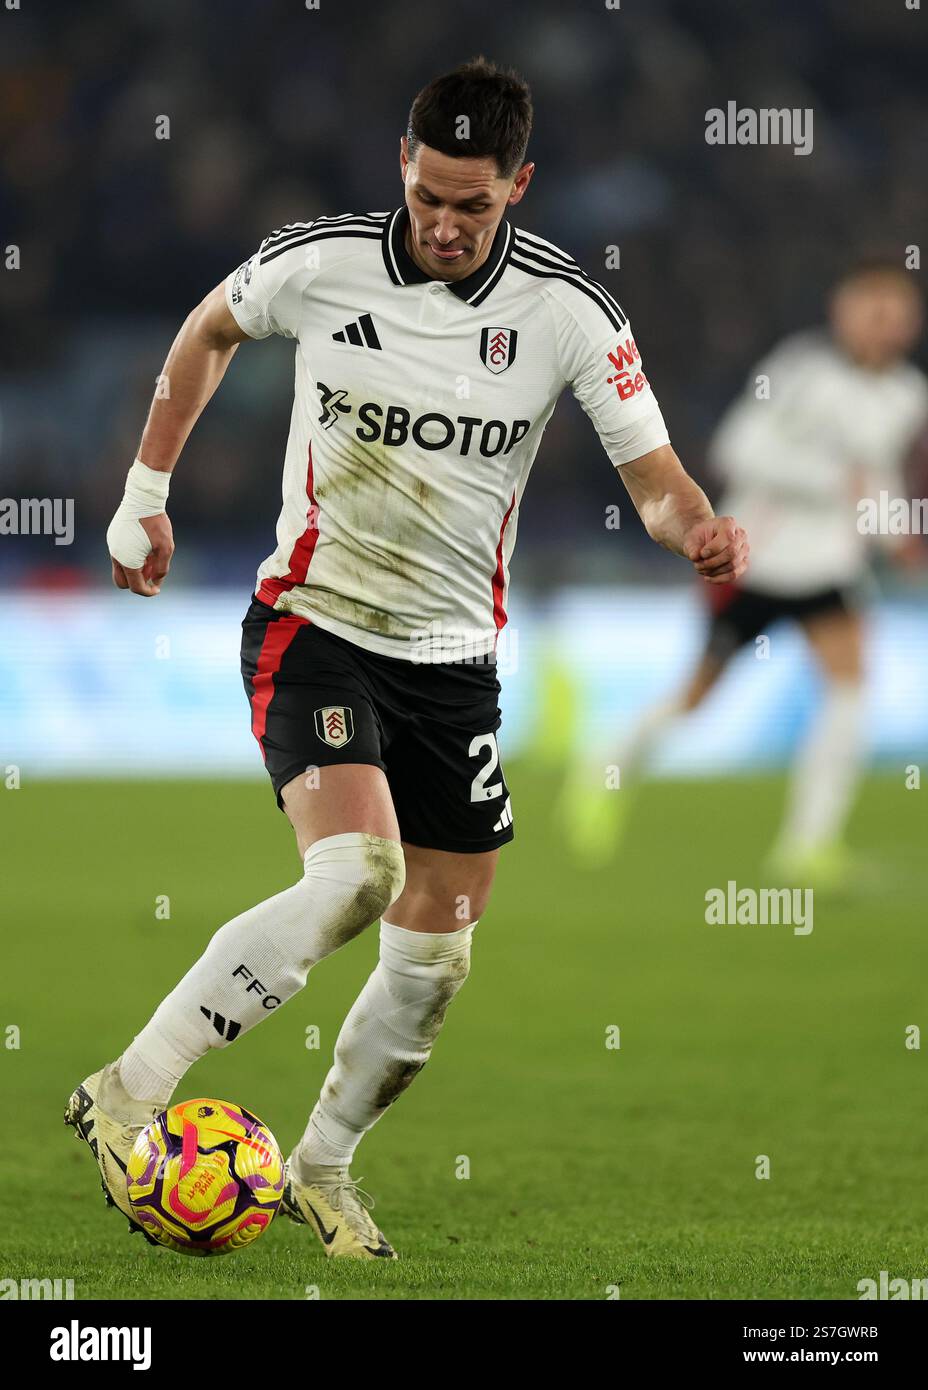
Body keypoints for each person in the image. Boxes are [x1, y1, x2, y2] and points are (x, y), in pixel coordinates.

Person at [66, 57, 748, 1258]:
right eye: (428, 194)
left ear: (519, 188)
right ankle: (131, 1085)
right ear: (403, 163)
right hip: (313, 623)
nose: (443, 222)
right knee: (356, 876)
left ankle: (322, 1165)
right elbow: (207, 329)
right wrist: (145, 487)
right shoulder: (319, 262)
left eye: (471, 204)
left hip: (454, 662)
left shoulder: (569, 314)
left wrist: (693, 524)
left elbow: (653, 478)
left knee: (435, 952)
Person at [558, 260, 927, 883]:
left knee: (850, 688)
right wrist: (835, 482)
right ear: (845, 309)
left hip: (827, 569)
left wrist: (898, 539)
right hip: (754, 561)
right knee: (696, 701)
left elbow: (877, 482)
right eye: (874, 310)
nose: (886, 326)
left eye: (898, 314)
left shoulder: (906, 395)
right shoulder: (801, 370)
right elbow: (738, 448)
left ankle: (807, 847)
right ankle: (606, 761)